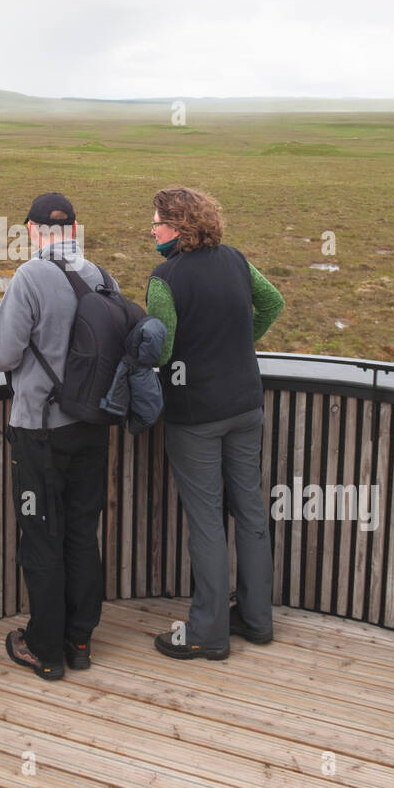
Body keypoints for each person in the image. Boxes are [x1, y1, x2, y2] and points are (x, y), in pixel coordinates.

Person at [147, 185, 284, 660]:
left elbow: (162, 351)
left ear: (179, 228)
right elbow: (273, 303)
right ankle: (257, 618)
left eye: (159, 221)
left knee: (206, 521)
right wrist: (239, 344)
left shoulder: (165, 277)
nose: (153, 229)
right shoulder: (238, 260)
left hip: (196, 414)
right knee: (249, 512)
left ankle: (207, 632)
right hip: (246, 403)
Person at [0, 192, 116, 681]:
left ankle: (45, 650)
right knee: (82, 535)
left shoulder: (30, 277)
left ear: (35, 231)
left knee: (42, 538)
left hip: (39, 432)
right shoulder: (100, 276)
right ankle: (80, 641)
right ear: (75, 228)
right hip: (92, 426)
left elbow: (1, 356)